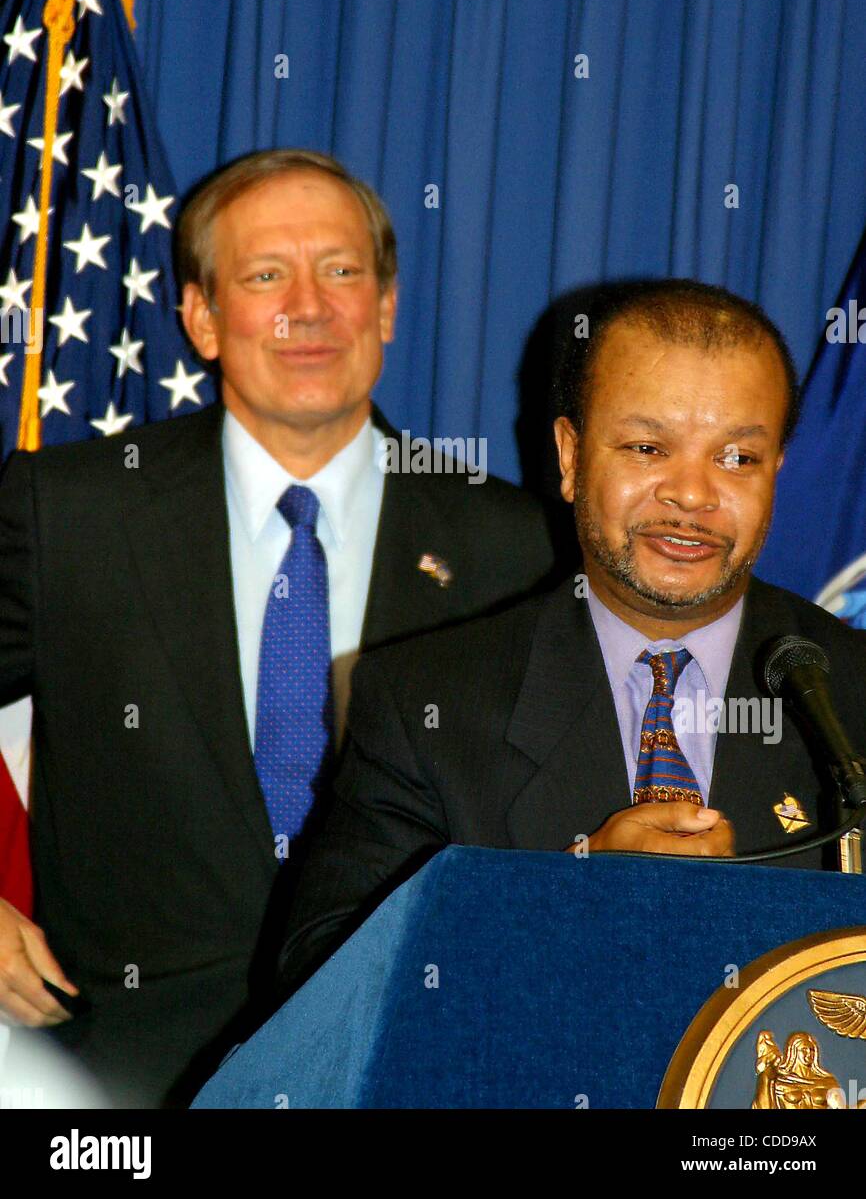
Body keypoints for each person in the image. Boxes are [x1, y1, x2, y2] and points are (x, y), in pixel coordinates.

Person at [0, 149, 558, 1105]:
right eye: (266, 276)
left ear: (385, 307)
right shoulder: (70, 513)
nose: (310, 307)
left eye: (342, 271)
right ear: (202, 318)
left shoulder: (512, 544)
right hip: (125, 1084)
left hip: (408, 1068)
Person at [276, 279, 866, 1002]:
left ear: (777, 468)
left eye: (737, 458)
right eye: (648, 448)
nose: (693, 494)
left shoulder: (850, 692)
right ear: (570, 455)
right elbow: (320, 974)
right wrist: (566, 899)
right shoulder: (426, 703)